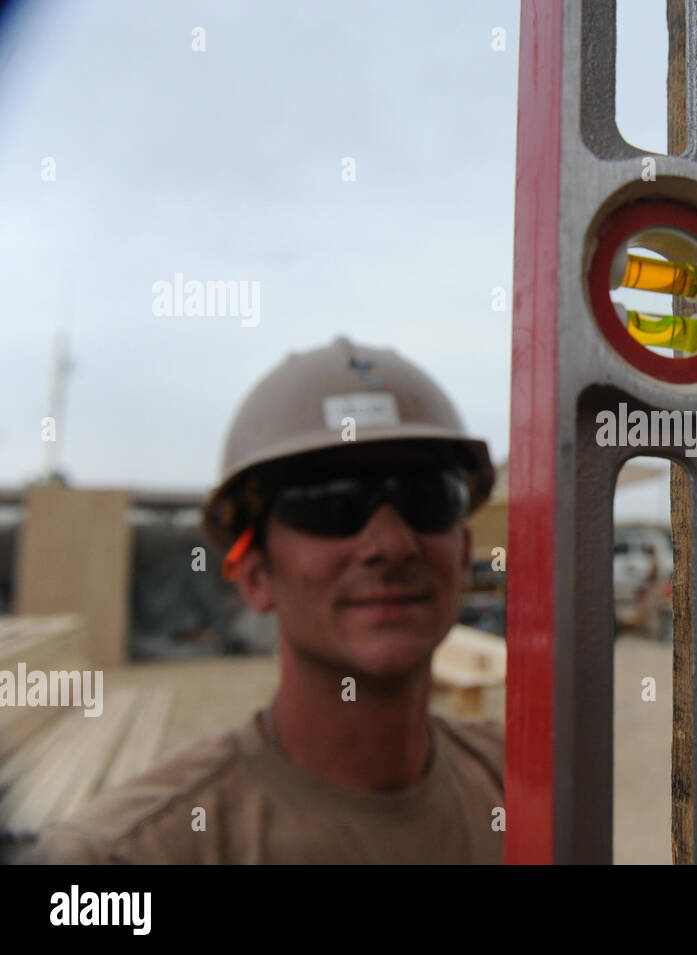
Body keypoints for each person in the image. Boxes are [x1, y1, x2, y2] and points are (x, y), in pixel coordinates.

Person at [23, 336, 504, 864]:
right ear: (254, 575)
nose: (391, 544)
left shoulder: (529, 788)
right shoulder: (121, 860)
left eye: (427, 497)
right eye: (330, 504)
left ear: (463, 555)